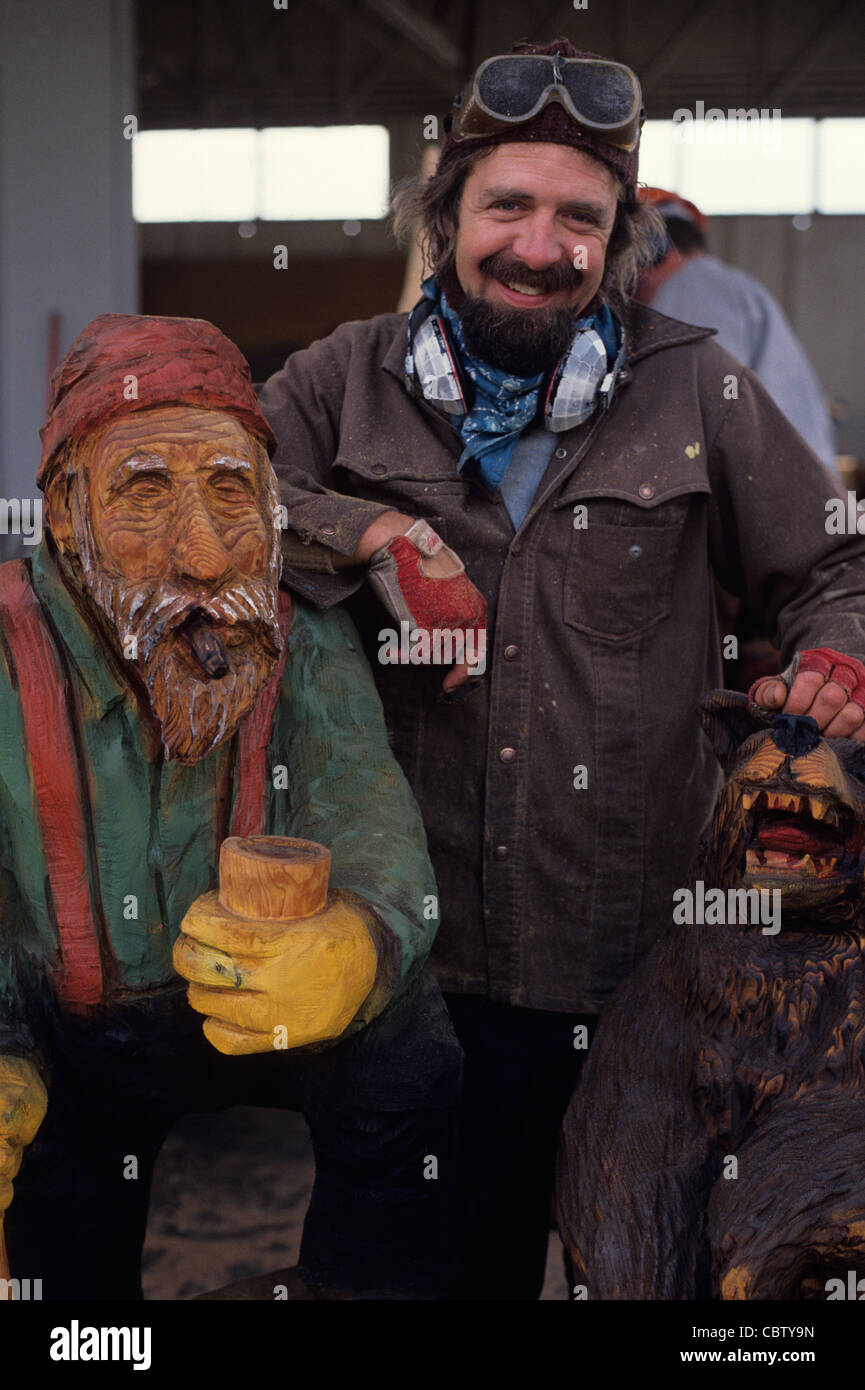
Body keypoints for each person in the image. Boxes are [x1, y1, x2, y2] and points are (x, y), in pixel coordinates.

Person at [258, 38, 865, 1299]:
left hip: (637, 967)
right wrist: (367, 530)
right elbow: (227, 494)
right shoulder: (343, 379)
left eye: (578, 217)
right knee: (409, 1272)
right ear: (446, 218)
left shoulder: (694, 383)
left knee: (642, 1265)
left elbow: (833, 567)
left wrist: (830, 659)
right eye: (507, 207)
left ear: (617, 238)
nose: (539, 246)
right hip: (416, 957)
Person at [0, 313, 461, 1301]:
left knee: (409, 1051)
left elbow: (371, 815)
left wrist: (361, 940)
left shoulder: (300, 639)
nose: (205, 557)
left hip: (258, 1023)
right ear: (69, 517)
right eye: (144, 493)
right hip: (64, 1039)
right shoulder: (6, 645)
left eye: (230, 493)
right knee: (60, 1229)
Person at [636, 187, 837, 469]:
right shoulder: (729, 286)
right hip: (798, 486)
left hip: (773, 494)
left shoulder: (692, 289)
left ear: (650, 250)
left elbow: (697, 412)